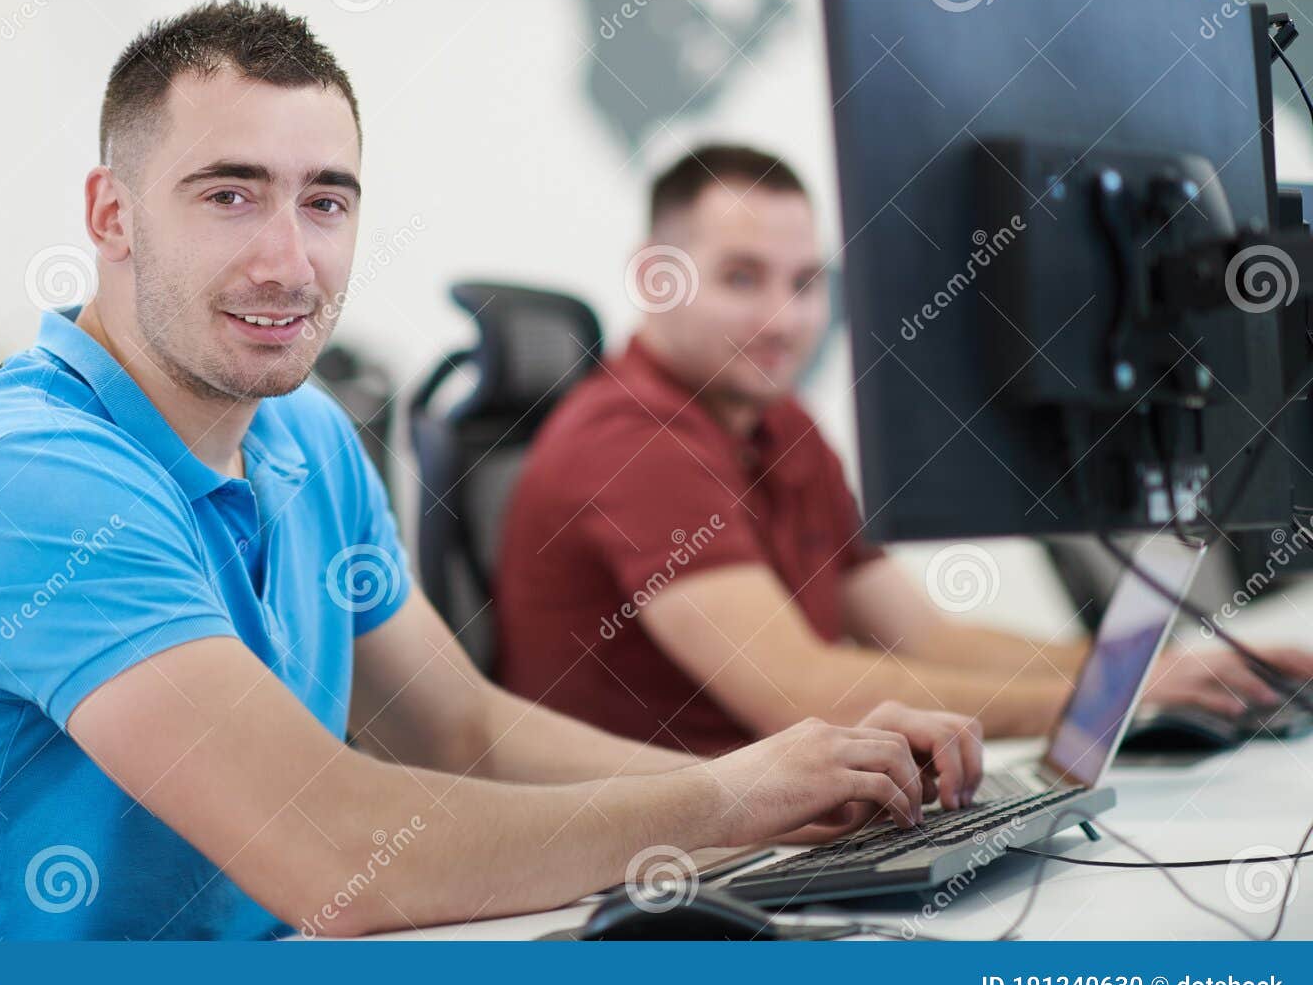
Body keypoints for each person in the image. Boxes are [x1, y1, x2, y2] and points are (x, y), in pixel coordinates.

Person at [0, 4, 981, 942]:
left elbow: (459, 731)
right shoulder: (29, 476)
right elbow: (334, 851)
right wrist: (730, 800)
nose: (289, 259)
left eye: (324, 200)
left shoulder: (308, 438)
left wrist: (776, 804)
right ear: (111, 213)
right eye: (229, 193)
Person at [494, 144, 1313, 756]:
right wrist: (1105, 697)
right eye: (742, 278)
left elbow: (924, 637)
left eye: (806, 283)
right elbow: (800, 691)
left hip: (776, 823)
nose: (785, 321)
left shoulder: (780, 427)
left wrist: (1149, 671)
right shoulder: (631, 441)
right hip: (672, 867)